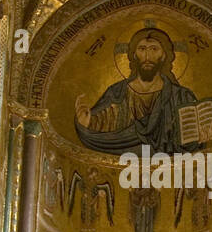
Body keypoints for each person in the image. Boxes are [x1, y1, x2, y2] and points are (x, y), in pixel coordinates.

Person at [75, 27, 200, 155]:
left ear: (163, 55)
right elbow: (98, 131)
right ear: (134, 54)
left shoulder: (181, 96)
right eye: (142, 49)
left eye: (154, 49)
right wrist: (84, 124)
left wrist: (202, 138)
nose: (147, 56)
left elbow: (191, 143)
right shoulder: (116, 93)